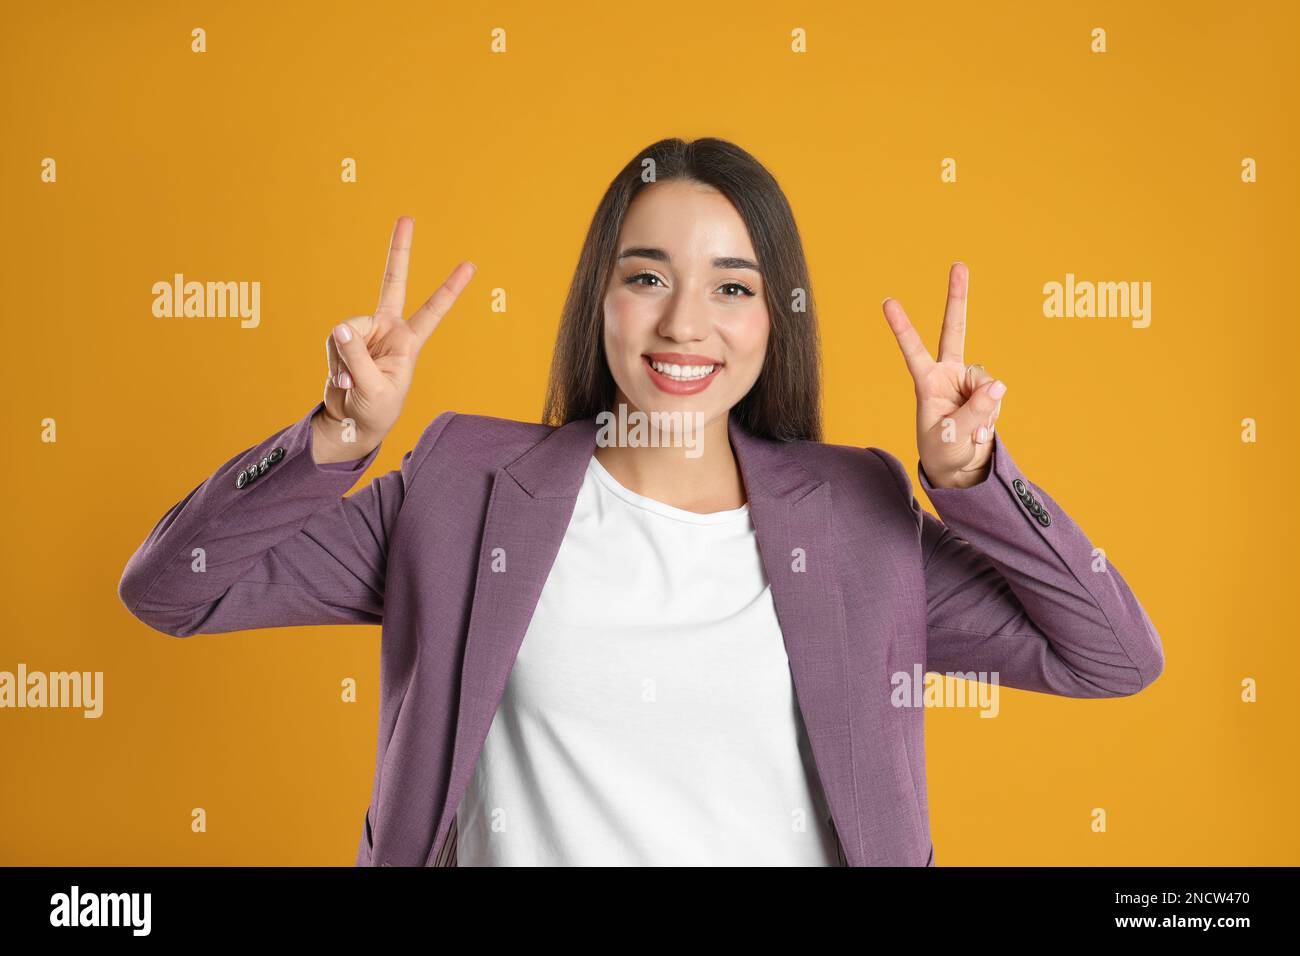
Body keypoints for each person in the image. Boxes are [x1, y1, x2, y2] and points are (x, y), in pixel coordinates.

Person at [119, 137, 1164, 867]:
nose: (684, 324)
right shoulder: (462, 488)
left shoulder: (855, 519)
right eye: (647, 276)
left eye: (732, 286)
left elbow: (1111, 656)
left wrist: (970, 481)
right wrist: (336, 438)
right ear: (599, 300)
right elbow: (173, 589)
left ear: (772, 317)